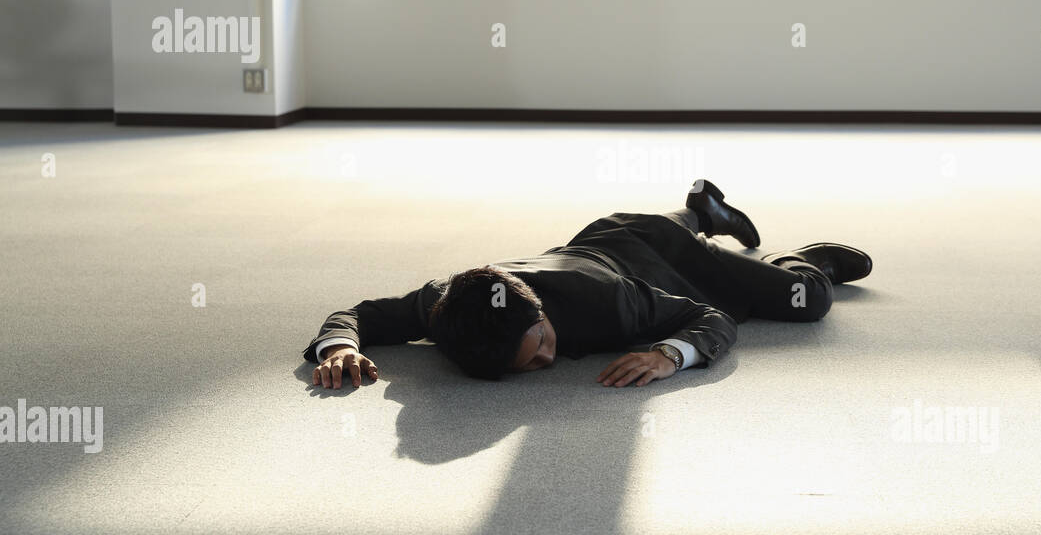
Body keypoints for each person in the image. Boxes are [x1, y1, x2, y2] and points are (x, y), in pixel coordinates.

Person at [306, 179, 872, 390]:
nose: (548, 362)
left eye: (542, 343)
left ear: (539, 311)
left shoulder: (610, 305)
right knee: (657, 229)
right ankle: (702, 210)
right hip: (605, 241)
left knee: (807, 302)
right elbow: (359, 314)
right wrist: (340, 348)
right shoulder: (442, 303)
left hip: (659, 259)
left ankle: (798, 259)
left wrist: (669, 356)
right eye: (527, 365)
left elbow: (708, 318)